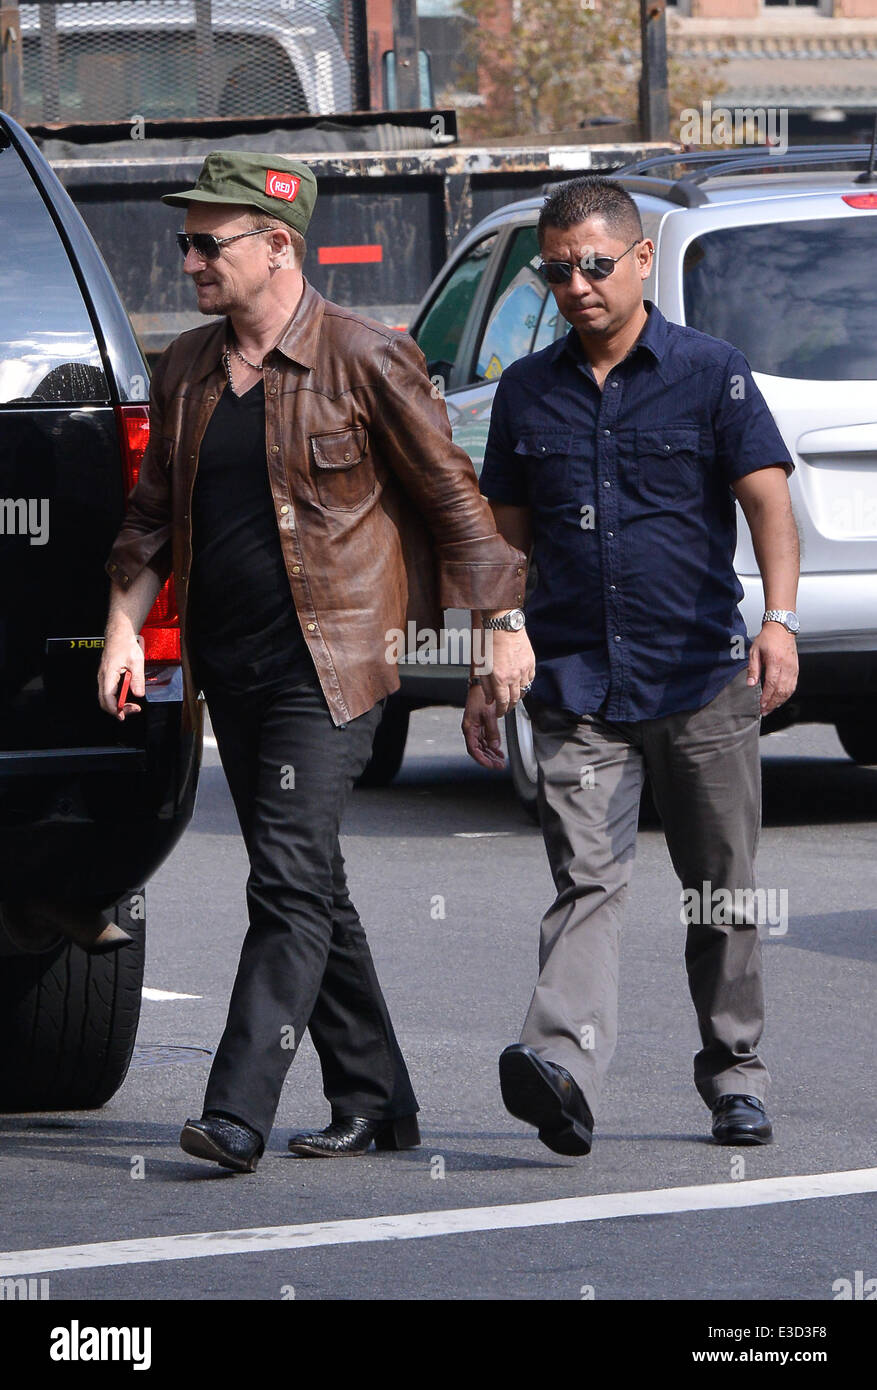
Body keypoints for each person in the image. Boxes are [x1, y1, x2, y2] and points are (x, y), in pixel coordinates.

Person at [98, 150, 534, 1173]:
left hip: (334, 664)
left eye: (210, 243)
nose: (191, 261)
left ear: (277, 245)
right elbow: (150, 518)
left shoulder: (366, 357)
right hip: (230, 671)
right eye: (187, 242)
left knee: (285, 884)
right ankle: (377, 1097)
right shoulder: (188, 368)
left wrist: (498, 631)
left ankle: (237, 1108)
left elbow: (454, 501)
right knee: (313, 883)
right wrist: (122, 626)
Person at [463, 175, 799, 1155]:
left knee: (721, 890)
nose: (575, 286)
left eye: (594, 266)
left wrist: (776, 620)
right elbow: (503, 536)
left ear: (641, 259)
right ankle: (561, 1066)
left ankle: (735, 1071)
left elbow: (767, 504)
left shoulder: (711, 372)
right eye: (555, 271)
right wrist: (497, 634)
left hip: (700, 678)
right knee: (586, 881)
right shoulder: (526, 390)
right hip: (577, 686)